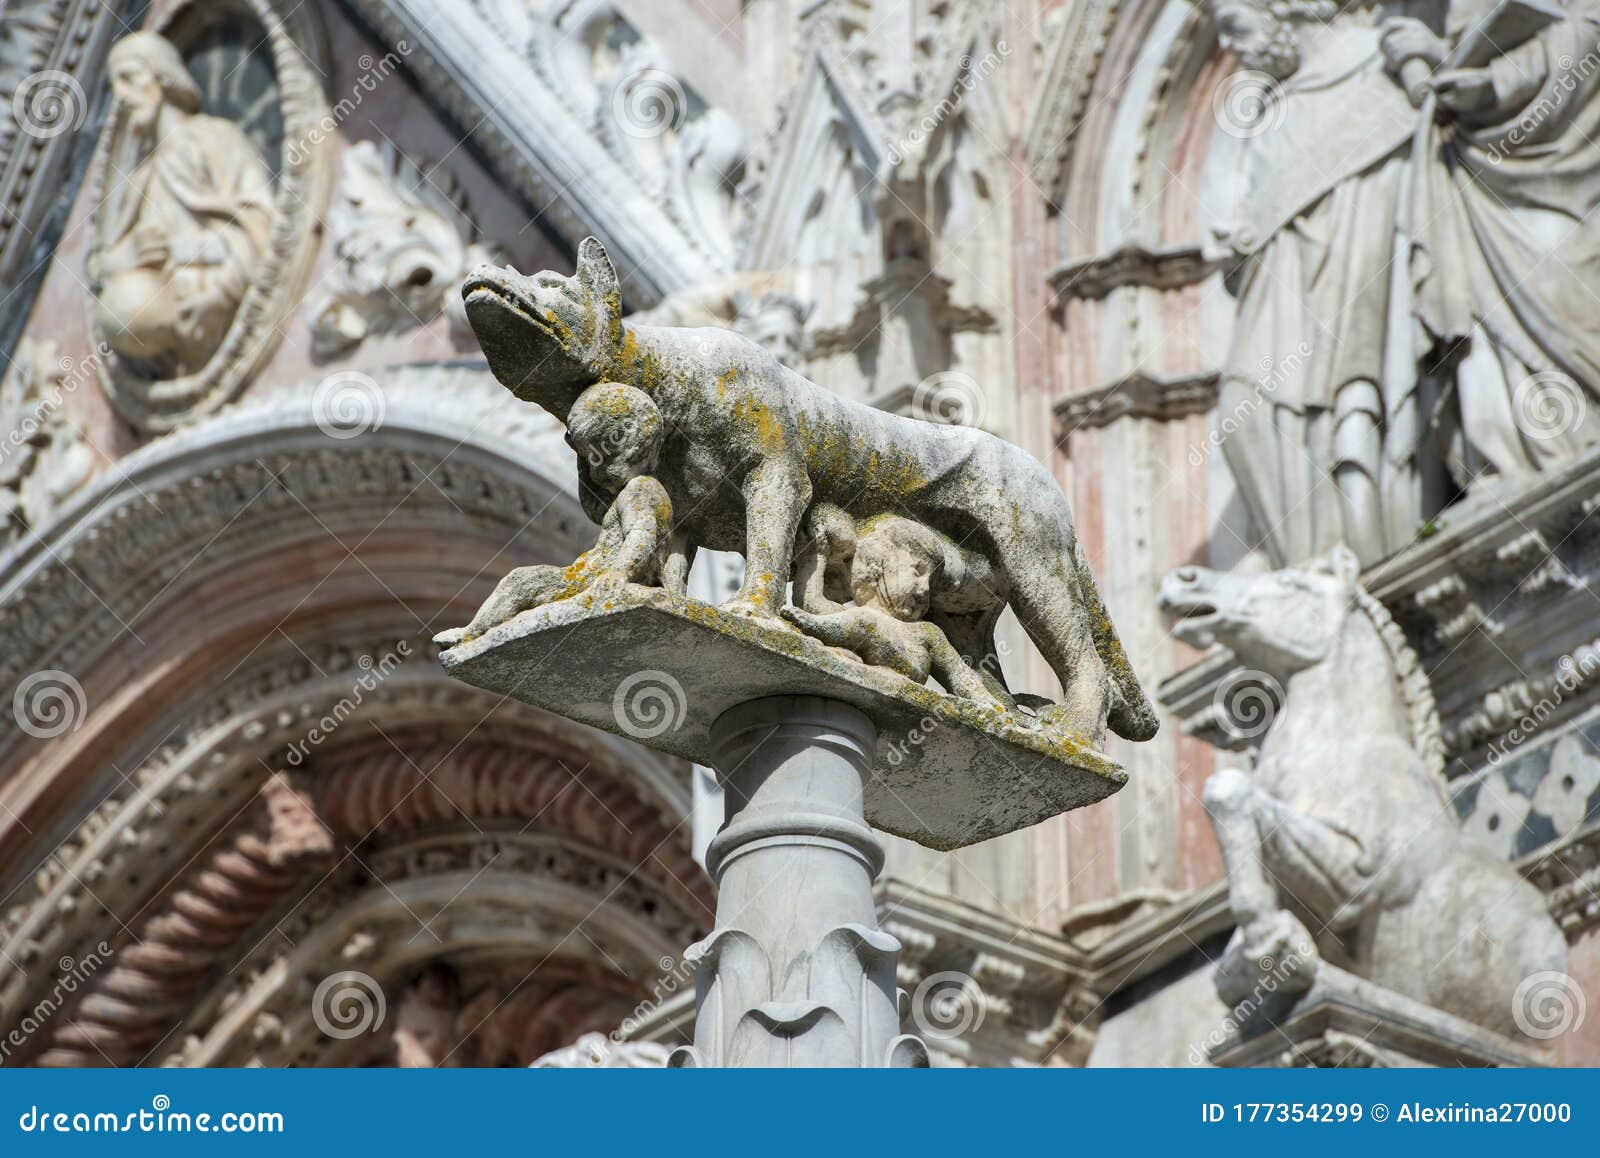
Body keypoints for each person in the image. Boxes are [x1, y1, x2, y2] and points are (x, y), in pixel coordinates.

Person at [90, 31, 273, 376]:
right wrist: (123, 258)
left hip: (217, 309)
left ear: (162, 76)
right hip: (172, 354)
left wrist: (214, 283)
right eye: (115, 86)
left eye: (129, 78)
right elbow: (103, 265)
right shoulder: (140, 179)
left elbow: (259, 227)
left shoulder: (213, 137)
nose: (122, 96)